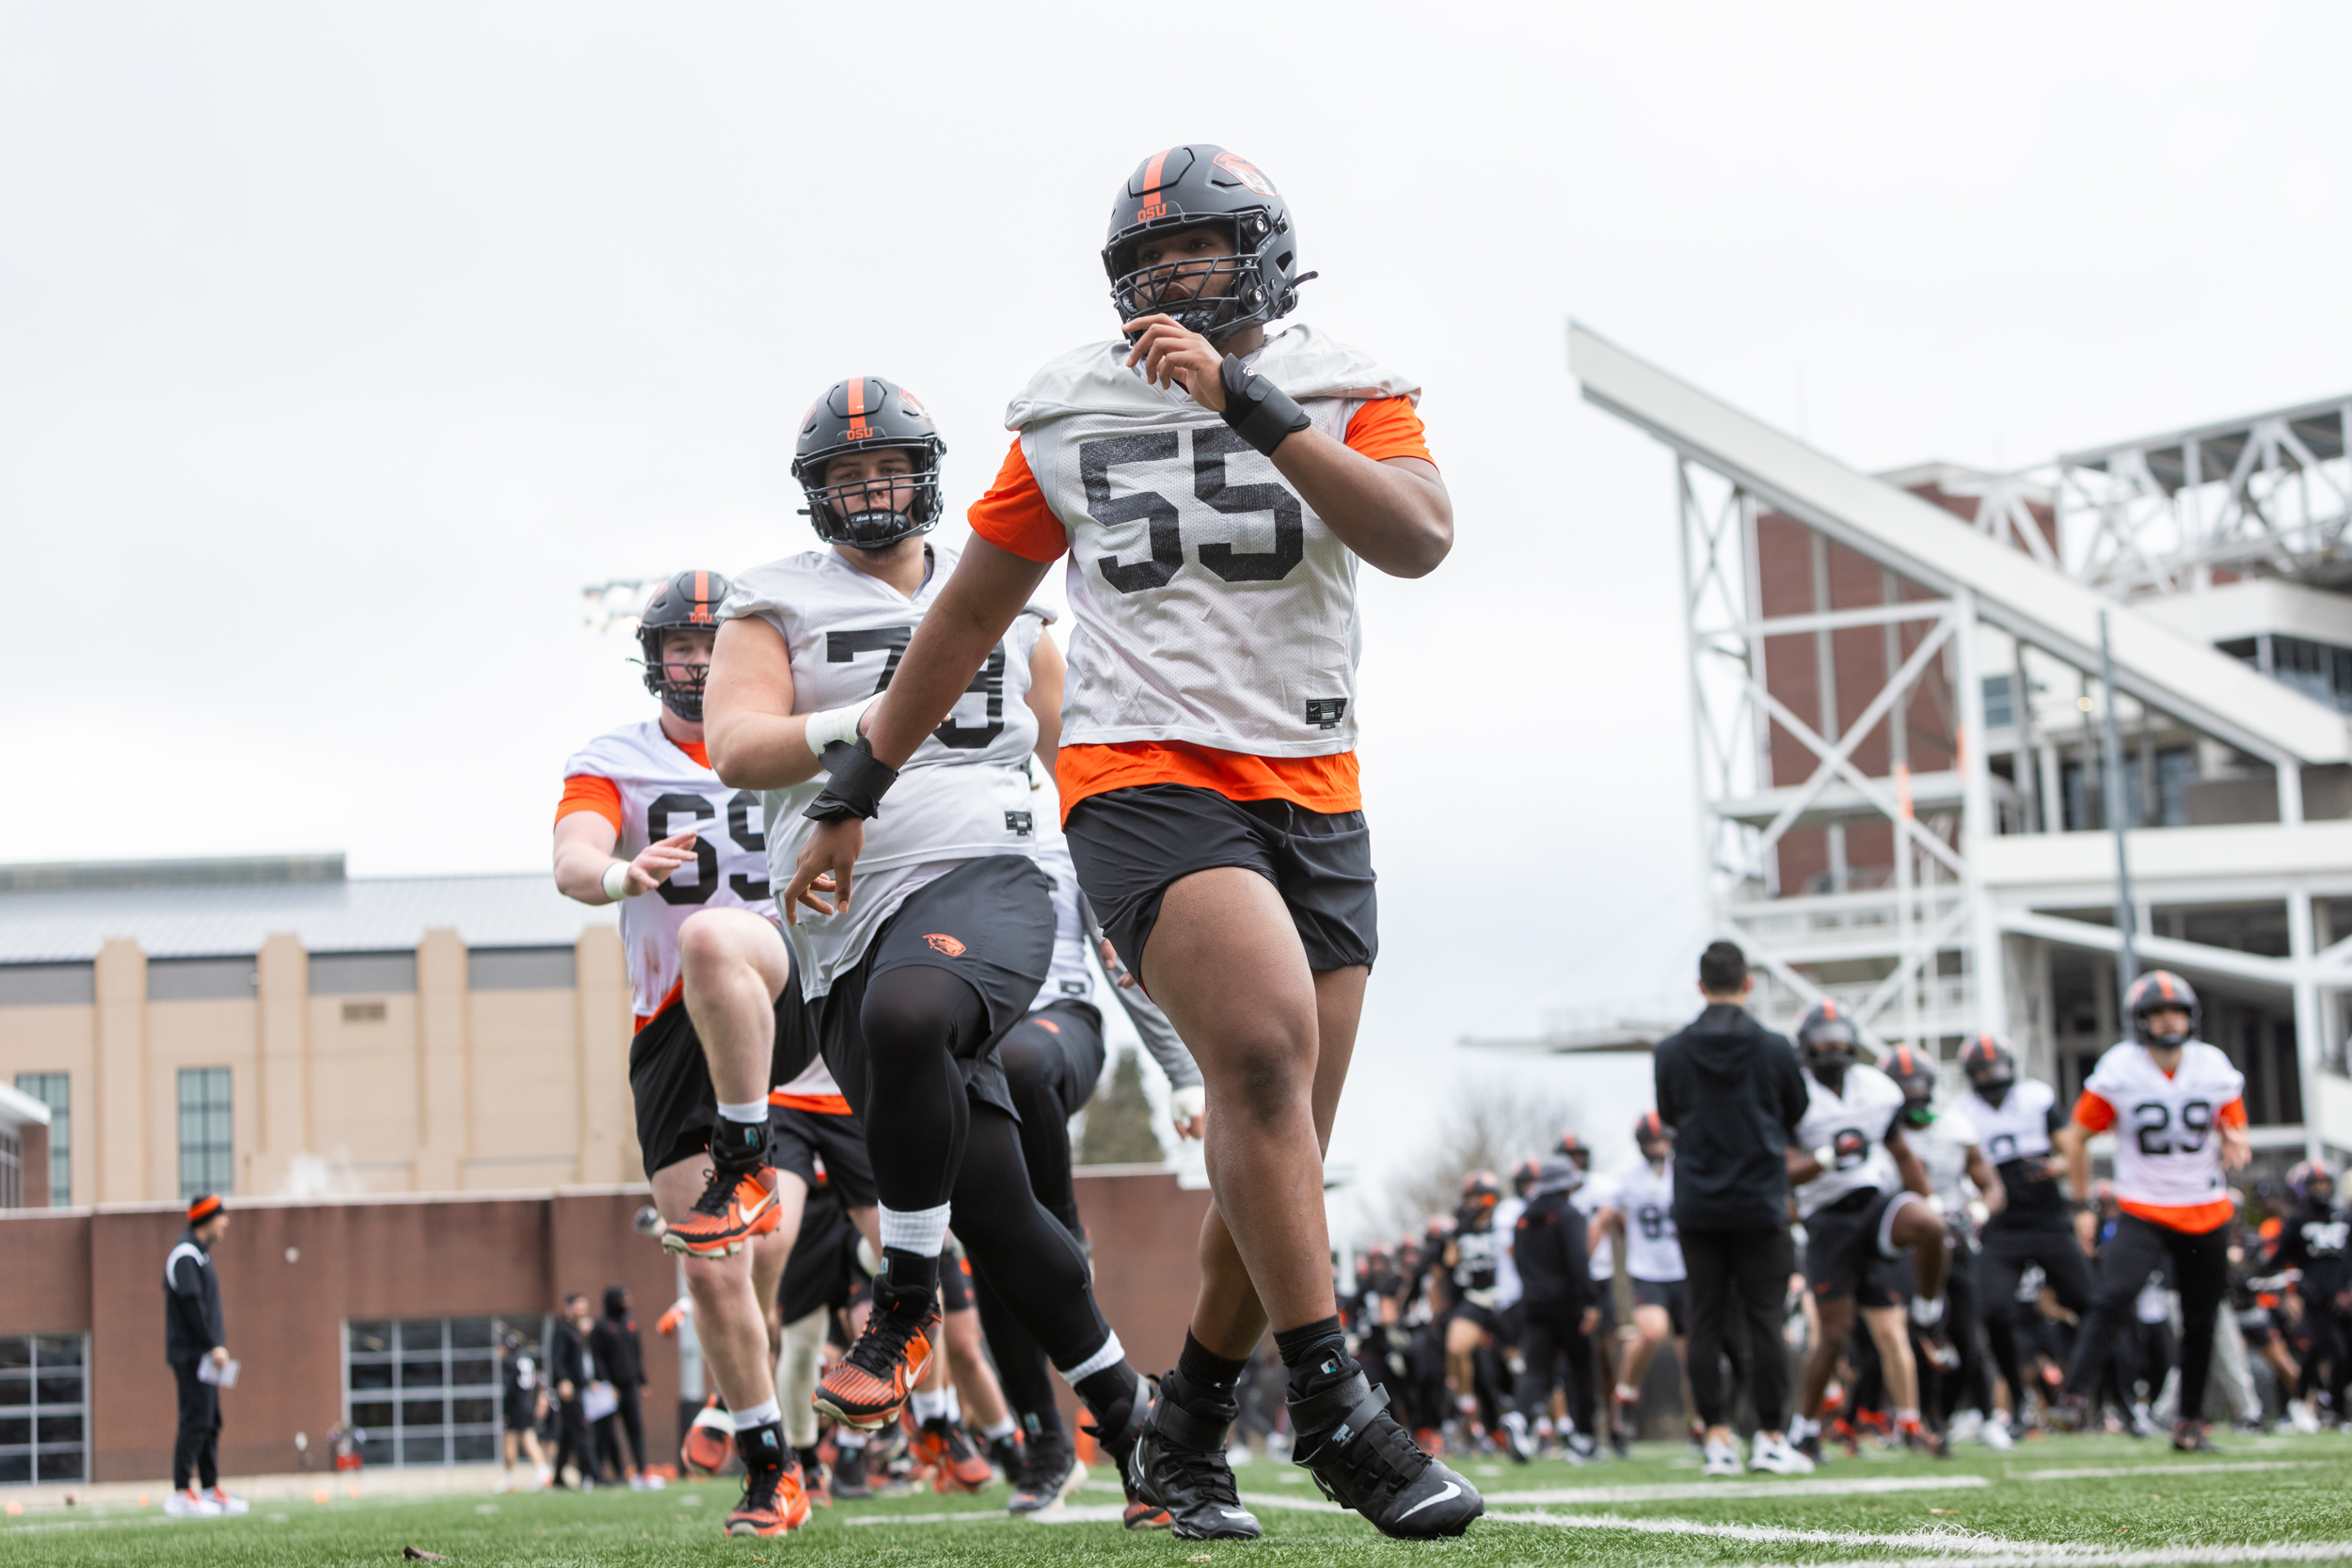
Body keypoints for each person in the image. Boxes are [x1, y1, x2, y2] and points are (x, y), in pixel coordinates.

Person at [776, 143, 1477, 1542]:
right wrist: (858, 777)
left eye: (1197, 255)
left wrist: (1253, 404)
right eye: (1147, 266)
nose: (1170, 283)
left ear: (1267, 253)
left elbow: (1418, 537)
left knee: (1281, 1134)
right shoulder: (1066, 411)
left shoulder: (1350, 382)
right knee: (1266, 1059)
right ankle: (1338, 1407)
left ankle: (1189, 1421)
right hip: (1143, 775)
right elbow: (967, 613)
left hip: (1314, 783)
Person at [705, 375, 1159, 1528]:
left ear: (928, 476)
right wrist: (864, 721)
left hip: (991, 873)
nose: (870, 491)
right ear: (816, 494)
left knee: (915, 1013)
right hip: (841, 919)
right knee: (997, 1201)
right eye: (847, 476)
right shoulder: (773, 605)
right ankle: (1139, 1424)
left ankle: (903, 1298)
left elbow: (1077, 764)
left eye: (887, 470)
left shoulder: (1002, 593)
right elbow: (737, 744)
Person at [552, 568, 811, 1536]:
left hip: (793, 988)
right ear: (653, 655)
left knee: (771, 1242)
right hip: (670, 1022)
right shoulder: (613, 759)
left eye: (714, 645)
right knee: (710, 1265)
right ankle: (767, 1461)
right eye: (681, 647)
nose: (698, 663)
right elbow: (573, 857)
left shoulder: (793, 730)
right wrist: (622, 869)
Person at [981, 812, 1205, 1514]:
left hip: (1057, 1026)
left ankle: (1065, 1230)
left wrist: (1180, 1070)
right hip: (963, 1050)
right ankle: (1049, 1439)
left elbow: (1122, 963)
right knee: (989, 1240)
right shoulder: (914, 823)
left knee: (1019, 1065)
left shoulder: (1054, 836)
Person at [2061, 971, 2251, 1451]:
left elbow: (2235, 1123)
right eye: (2158, 1012)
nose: (2169, 1021)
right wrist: (2083, 1205)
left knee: (2201, 1319)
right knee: (2112, 1296)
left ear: (2191, 1017)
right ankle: (2073, 1394)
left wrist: (2236, 1139)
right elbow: (2076, 1136)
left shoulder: (2212, 1066)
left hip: (2205, 1206)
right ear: (2140, 1021)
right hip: (2144, 1206)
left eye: (2177, 1012)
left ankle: (2188, 1422)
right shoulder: (2120, 1068)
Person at [1651, 942, 1813, 1478]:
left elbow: (1669, 1113)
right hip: (1761, 1200)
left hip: (1698, 1201)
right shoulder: (1775, 1047)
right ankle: (1769, 1436)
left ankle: (1717, 1438)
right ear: (1748, 983)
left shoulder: (1671, 1051)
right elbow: (1798, 1110)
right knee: (1766, 1321)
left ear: (1700, 986)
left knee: (1704, 1319)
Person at [1783, 1001, 1953, 1463]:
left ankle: (1928, 1309)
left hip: (1874, 1205)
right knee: (1834, 1335)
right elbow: (1781, 1172)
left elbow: (1901, 1153)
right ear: (1805, 1045)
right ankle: (1805, 1428)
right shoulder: (1793, 1094)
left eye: (1840, 1037)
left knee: (1929, 1224)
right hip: (1826, 1217)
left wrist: (1928, 1198)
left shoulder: (1876, 1089)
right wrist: (1822, 1160)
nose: (1833, 1047)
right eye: (1823, 1038)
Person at [1953, 1033, 2093, 1441]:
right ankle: (2015, 1401)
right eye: (1982, 1070)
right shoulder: (1962, 1114)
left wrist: (2058, 1171)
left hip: (2048, 1218)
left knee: (2092, 1303)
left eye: (1997, 1067)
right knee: (1993, 1310)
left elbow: (2072, 1152)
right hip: (2003, 1225)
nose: (1992, 1076)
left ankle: (2097, 1397)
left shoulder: (2036, 1097)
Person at [1883, 1044, 2008, 1448]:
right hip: (1906, 1248)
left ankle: (1975, 1415)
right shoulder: (1883, 1133)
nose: (1911, 1095)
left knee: (1968, 1335)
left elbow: (1991, 1187)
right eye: (1902, 1088)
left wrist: (1978, 1212)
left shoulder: (1955, 1127)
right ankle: (1918, 1419)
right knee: (1913, 1335)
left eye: (1918, 1085)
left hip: (1957, 1240)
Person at [1593, 1113, 1690, 1456]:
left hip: (1686, 1269)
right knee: (1650, 1331)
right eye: (1652, 1141)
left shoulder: (1686, 1168)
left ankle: (1702, 1426)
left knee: (1692, 1353)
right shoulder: (1625, 1179)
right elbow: (1607, 1217)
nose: (1658, 1147)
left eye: (1662, 1139)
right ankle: (1625, 1401)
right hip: (1647, 1270)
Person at [1511, 1155, 1600, 1462]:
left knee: (1537, 1371)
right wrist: (1589, 1301)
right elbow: (1579, 1262)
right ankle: (1585, 1439)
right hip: (1568, 1305)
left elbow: (1519, 1264)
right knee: (1582, 1371)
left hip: (1534, 1304)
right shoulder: (1569, 1215)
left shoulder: (1522, 1218)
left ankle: (1519, 1418)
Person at [163, 1195, 246, 1518]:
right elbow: (191, 1306)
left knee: (210, 1421)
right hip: (192, 1355)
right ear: (206, 1218)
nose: (225, 1222)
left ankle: (210, 1489)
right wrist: (213, 1344)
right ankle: (182, 1493)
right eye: (221, 1216)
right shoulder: (184, 1256)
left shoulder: (200, 1257)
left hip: (206, 1358)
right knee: (195, 1420)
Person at [1441, 1171, 1510, 1449]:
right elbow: (1450, 1262)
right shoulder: (1462, 1229)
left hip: (1505, 1298)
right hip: (1477, 1297)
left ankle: (1545, 1423)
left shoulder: (1505, 1224)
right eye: (1468, 1197)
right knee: (1456, 1348)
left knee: (1521, 1362)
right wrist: (1458, 1232)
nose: (1471, 1203)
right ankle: (1468, 1407)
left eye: (1475, 1196)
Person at [591, 1286, 655, 1487]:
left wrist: (642, 1381)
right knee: (606, 1432)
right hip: (609, 1389)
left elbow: (637, 1354)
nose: (628, 1301)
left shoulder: (631, 1323)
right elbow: (597, 1358)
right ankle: (607, 1473)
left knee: (635, 1428)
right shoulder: (601, 1327)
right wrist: (607, 1384)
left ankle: (642, 1471)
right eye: (624, 1298)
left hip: (630, 1386)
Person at [550, 1293, 599, 1489]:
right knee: (581, 1431)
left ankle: (558, 1478)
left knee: (567, 1435)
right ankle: (591, 1474)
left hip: (579, 1387)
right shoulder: (562, 1330)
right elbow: (558, 1358)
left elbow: (581, 1362)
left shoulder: (576, 1331)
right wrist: (563, 1381)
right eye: (579, 1306)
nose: (583, 1311)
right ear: (568, 1307)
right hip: (569, 1389)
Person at [498, 1330, 551, 1492]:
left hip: (516, 1407)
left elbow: (511, 1389)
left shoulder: (510, 1363)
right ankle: (543, 1472)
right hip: (527, 1404)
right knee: (529, 1439)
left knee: (511, 1441)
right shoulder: (526, 1361)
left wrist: (505, 1411)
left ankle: (509, 1479)